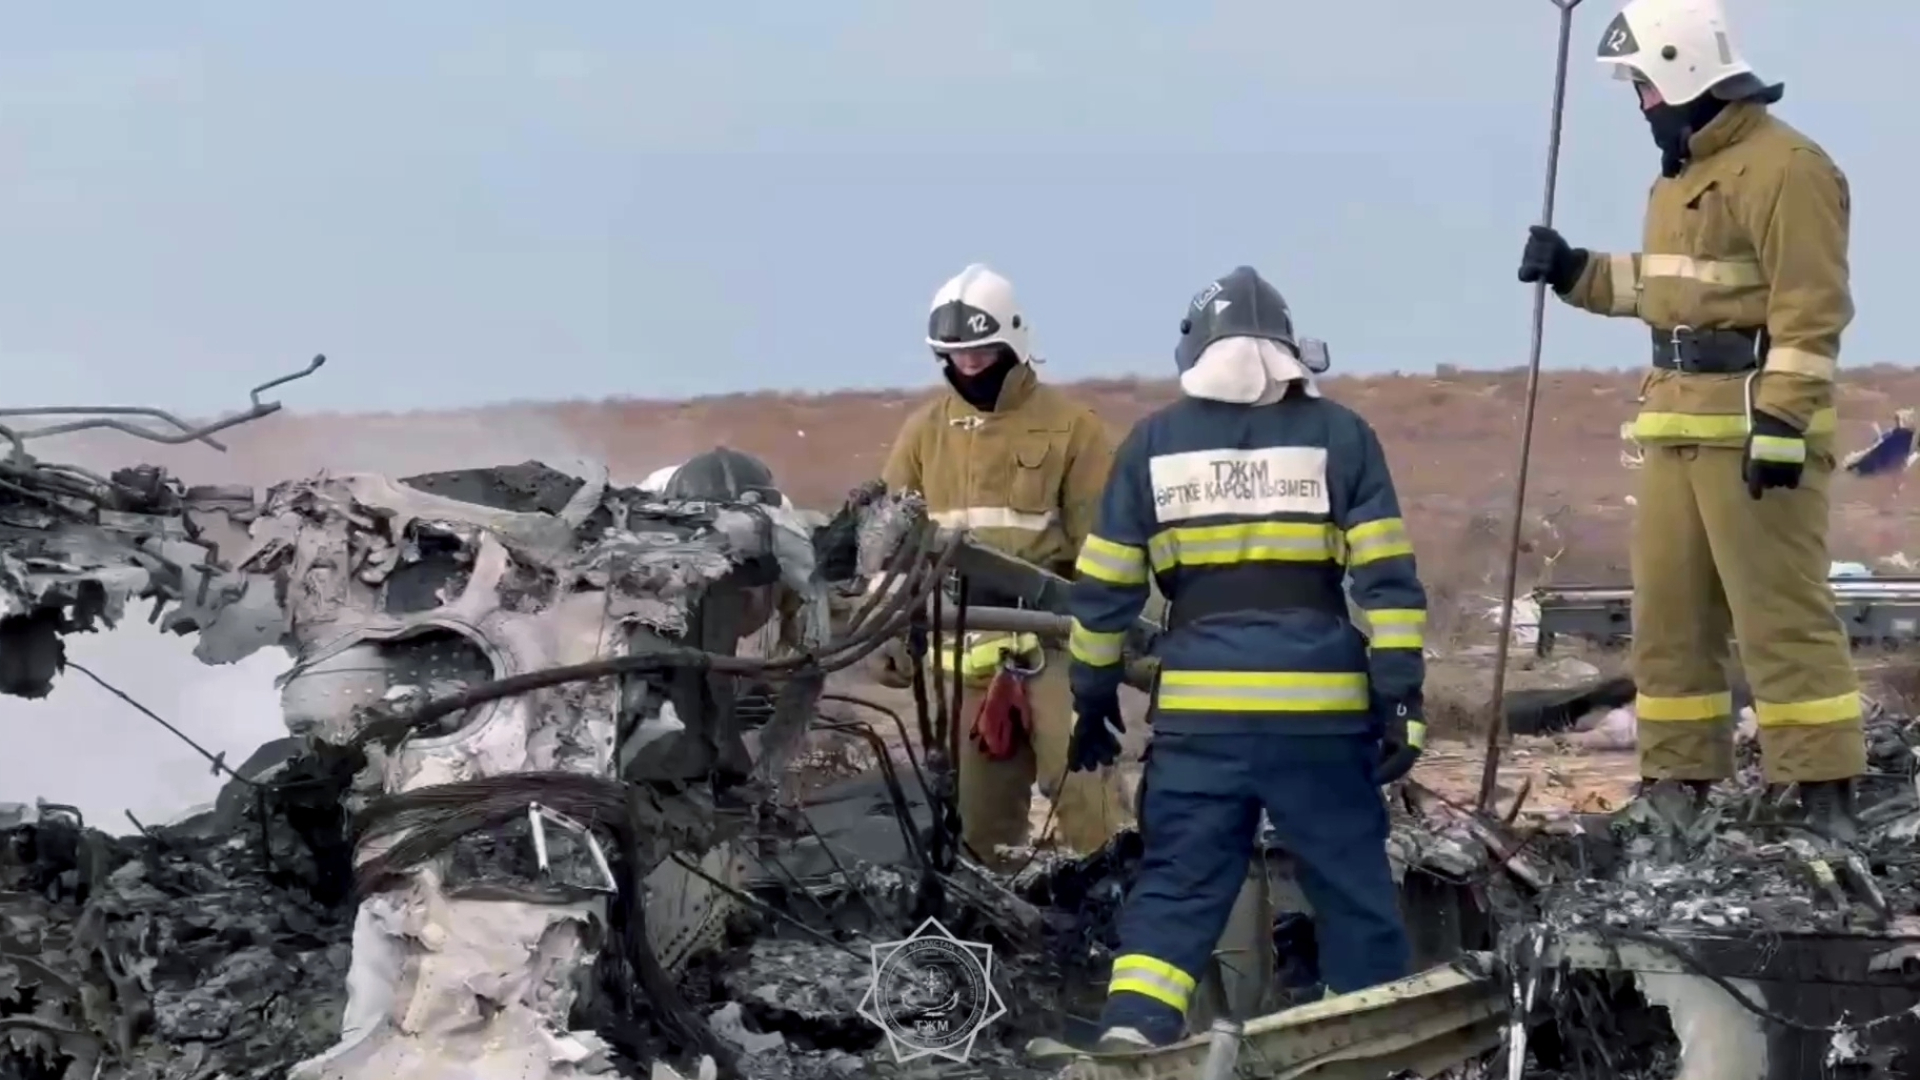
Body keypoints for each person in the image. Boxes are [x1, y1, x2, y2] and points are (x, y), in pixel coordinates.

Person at [1516, 0, 1864, 839]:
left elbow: (1812, 308)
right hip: (1675, 425)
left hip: (1753, 433)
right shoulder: (1680, 176)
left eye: (1643, 84)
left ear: (1684, 73)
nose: (1640, 103)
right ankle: (1677, 785)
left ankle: (1821, 795)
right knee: (1670, 623)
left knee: (1780, 618)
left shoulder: (1789, 168)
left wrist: (1782, 420)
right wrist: (1575, 271)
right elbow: (1667, 289)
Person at [1067, 266, 1426, 1048]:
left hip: (1203, 721)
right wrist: (1401, 700)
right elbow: (1389, 585)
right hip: (1321, 719)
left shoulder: (1152, 444)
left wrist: (1091, 695)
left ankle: (1133, 1036)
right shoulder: (1342, 437)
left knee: (1178, 887)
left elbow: (1103, 591)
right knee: (1352, 888)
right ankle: (1373, 1045)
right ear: (1290, 351)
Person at [878, 263, 1129, 861]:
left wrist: (1122, 648)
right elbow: (888, 543)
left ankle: (1120, 908)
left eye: (982, 351)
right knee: (974, 834)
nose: (968, 365)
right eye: (954, 355)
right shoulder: (924, 434)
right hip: (959, 663)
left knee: (1091, 807)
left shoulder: (1073, 429)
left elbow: (1111, 553)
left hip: (1054, 649)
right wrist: (891, 631)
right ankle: (992, 919)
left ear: (1013, 343)